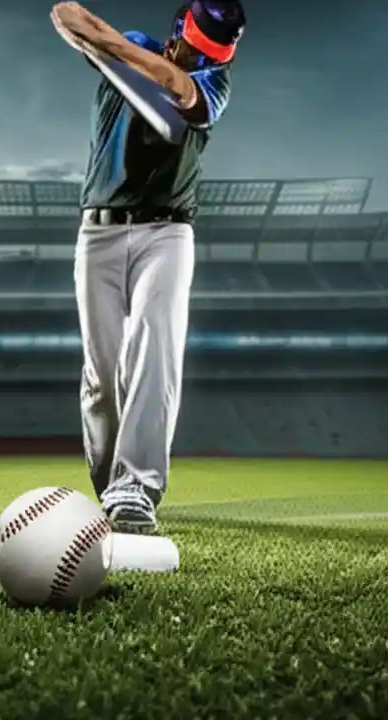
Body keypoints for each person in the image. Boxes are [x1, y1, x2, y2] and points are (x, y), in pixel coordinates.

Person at [49, 1, 246, 534]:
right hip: (100, 230)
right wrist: (120, 49)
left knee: (155, 349)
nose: (202, 61)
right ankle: (109, 482)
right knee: (102, 374)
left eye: (212, 56)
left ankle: (136, 486)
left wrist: (115, 51)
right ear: (179, 30)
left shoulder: (216, 85)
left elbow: (180, 91)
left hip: (168, 231)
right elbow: (67, 15)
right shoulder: (139, 41)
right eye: (196, 49)